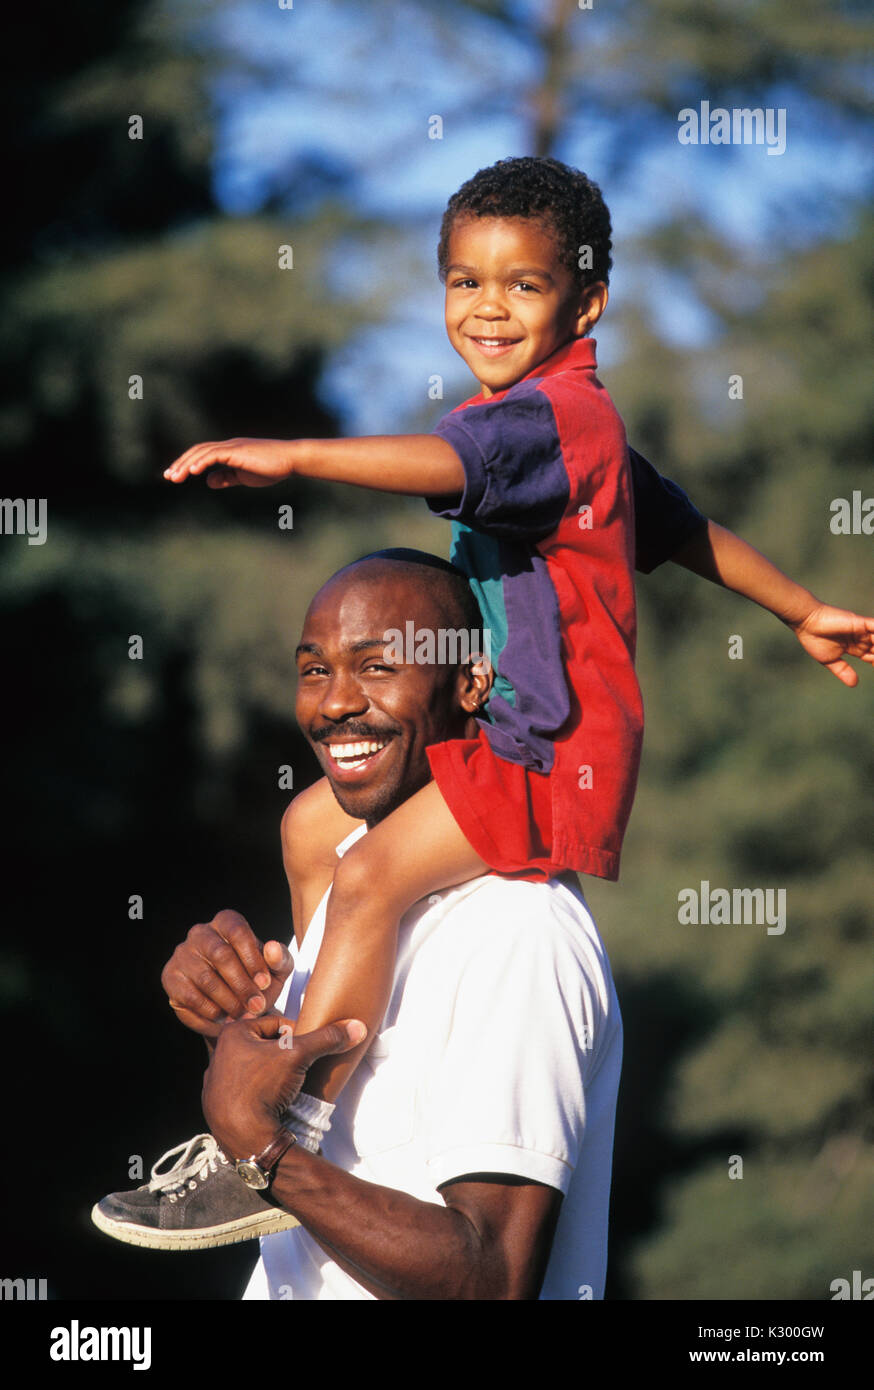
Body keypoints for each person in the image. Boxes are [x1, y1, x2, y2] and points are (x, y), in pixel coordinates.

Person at [94, 156, 874, 1243]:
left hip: (554, 751)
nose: (488, 308)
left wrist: (294, 454)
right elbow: (678, 523)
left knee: (367, 874)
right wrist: (800, 607)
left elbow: (440, 459)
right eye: (465, 282)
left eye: (522, 285)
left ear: (585, 302)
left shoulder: (538, 425)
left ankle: (285, 1128)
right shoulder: (572, 428)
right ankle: (299, 1018)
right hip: (519, 738)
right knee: (312, 822)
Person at [95, 552, 624, 1300]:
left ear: (471, 682)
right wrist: (229, 1022)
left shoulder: (517, 930)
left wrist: (266, 1154)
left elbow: (493, 1276)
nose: (335, 703)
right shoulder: (353, 868)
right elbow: (331, 1114)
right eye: (314, 671)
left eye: (378, 668)